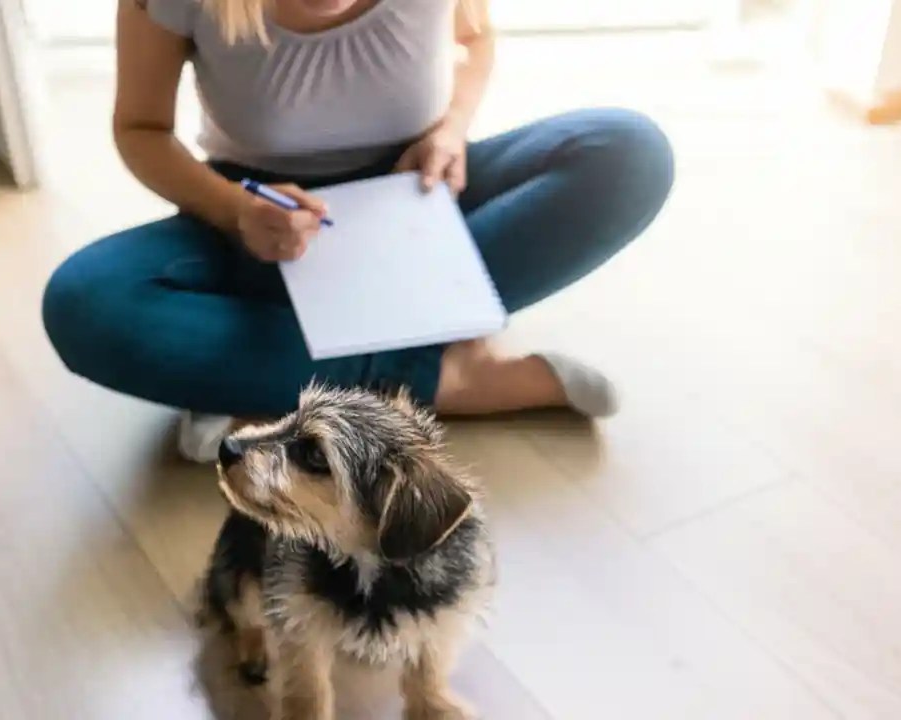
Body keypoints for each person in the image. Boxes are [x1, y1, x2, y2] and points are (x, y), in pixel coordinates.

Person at [42, 0, 675, 462]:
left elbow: (475, 40)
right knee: (84, 303)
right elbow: (141, 129)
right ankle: (449, 380)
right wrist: (235, 210)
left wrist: (450, 129)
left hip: (420, 197)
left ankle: (263, 384)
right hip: (255, 218)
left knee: (628, 151)